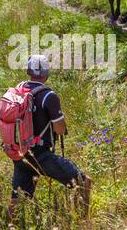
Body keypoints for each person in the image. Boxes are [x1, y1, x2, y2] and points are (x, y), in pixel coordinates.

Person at [10, 55, 91, 212]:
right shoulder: (48, 96)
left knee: (17, 200)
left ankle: (8, 229)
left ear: (28, 71)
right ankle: (83, 224)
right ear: (46, 74)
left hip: (20, 154)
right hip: (41, 156)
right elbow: (59, 129)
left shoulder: (18, 91)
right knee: (84, 181)